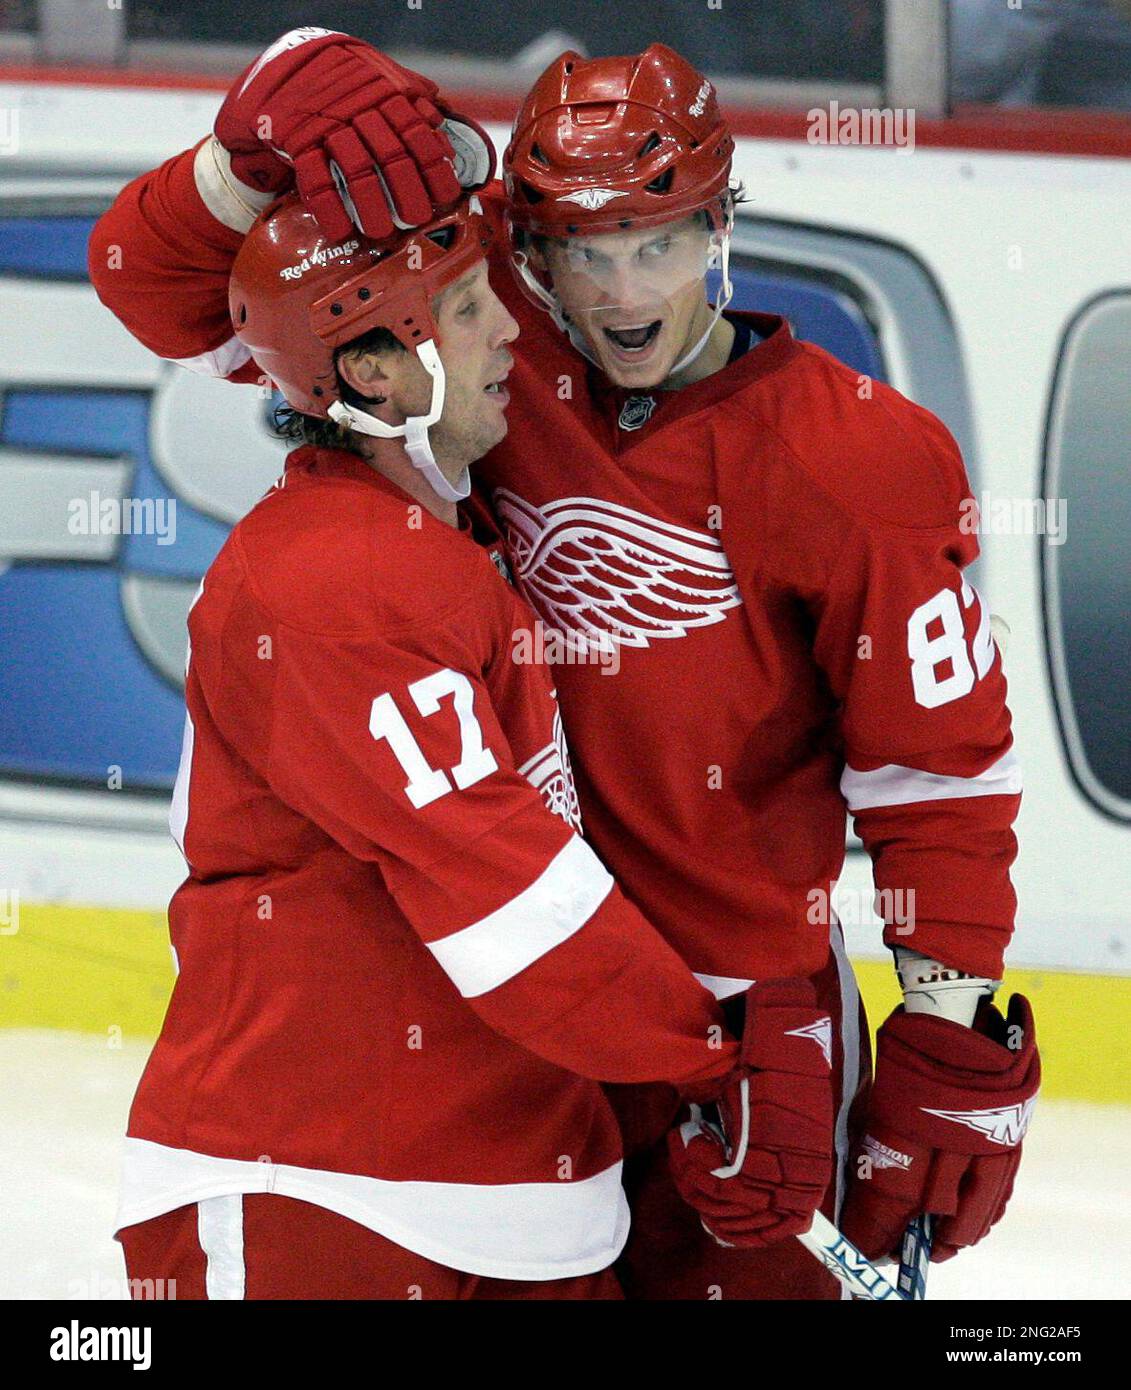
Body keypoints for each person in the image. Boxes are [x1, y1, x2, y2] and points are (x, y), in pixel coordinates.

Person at [89, 28, 1040, 1300]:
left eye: (660, 242)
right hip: (513, 1049)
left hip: (750, 1053)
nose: (624, 293)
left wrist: (947, 1022)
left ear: (721, 227)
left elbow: (941, 790)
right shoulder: (461, 344)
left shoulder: (861, 458)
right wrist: (233, 162)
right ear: (521, 250)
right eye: (582, 255)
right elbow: (165, 294)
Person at [90, 184, 775, 1300]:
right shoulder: (329, 578)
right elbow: (506, 900)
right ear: (371, 371)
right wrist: (719, 1051)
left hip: (535, 1203)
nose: (512, 326)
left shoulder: (452, 537)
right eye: (464, 309)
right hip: (317, 1189)